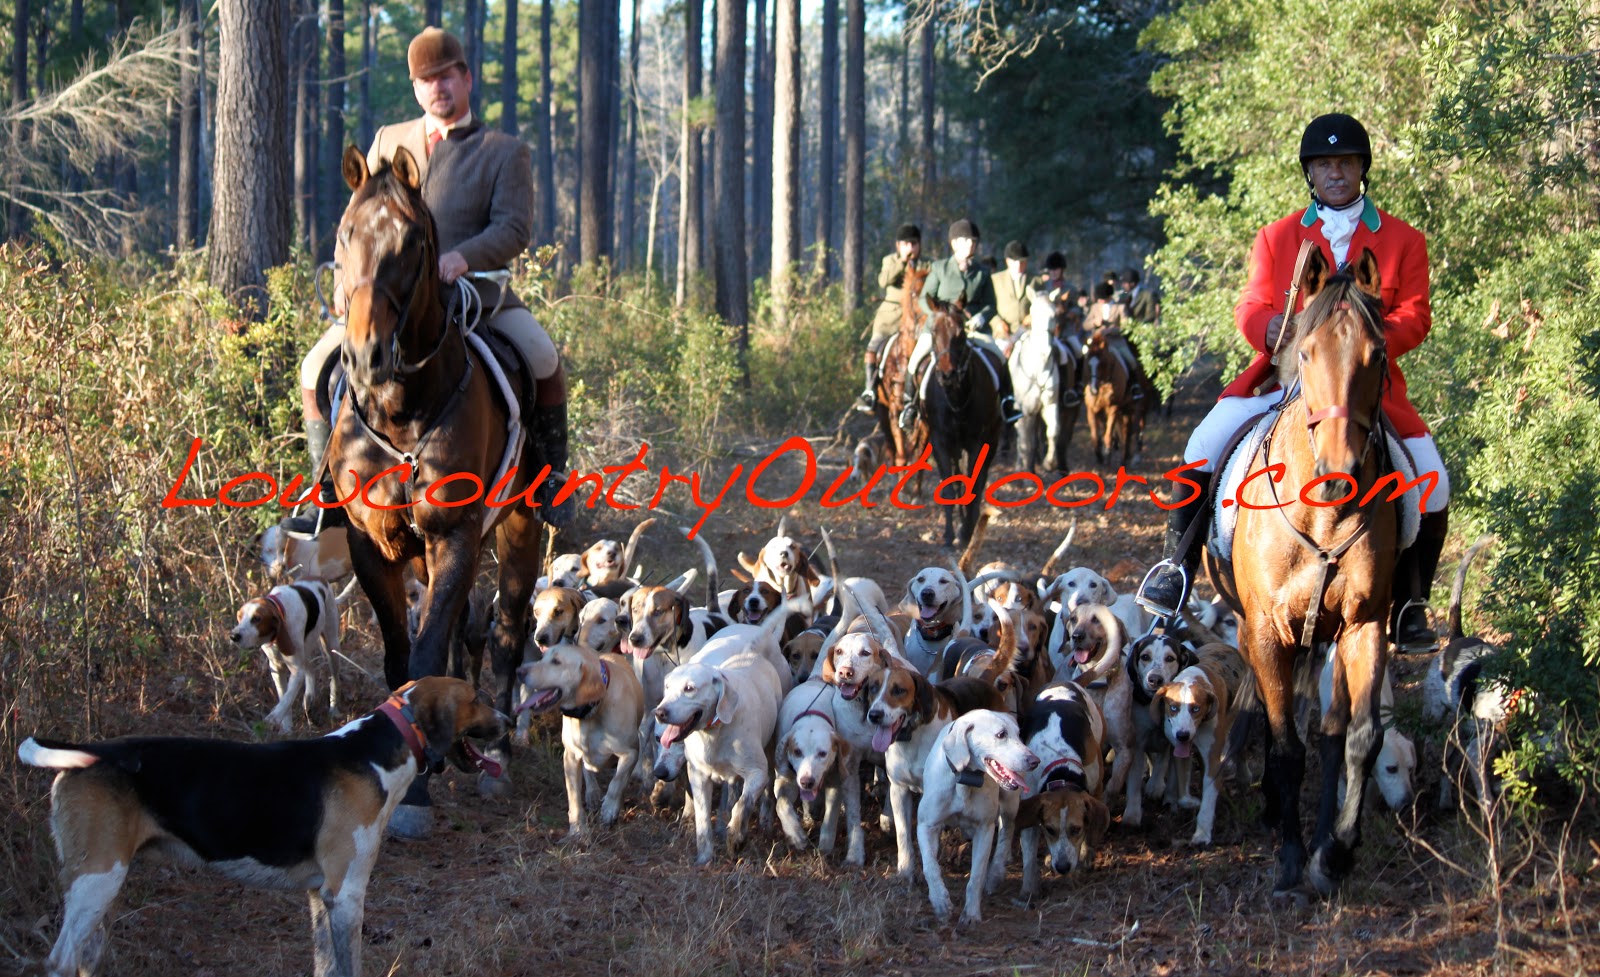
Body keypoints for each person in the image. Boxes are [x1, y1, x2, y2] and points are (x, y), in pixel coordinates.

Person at [1136, 113, 1450, 650]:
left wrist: (1365, 342)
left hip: (1363, 392)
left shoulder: (1403, 240)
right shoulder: (1279, 236)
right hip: (1280, 383)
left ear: (1361, 170)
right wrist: (1268, 327)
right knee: (1202, 445)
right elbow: (1250, 306)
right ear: (1311, 172)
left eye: (1346, 163)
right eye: (1325, 164)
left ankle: (1410, 604)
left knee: (1433, 480)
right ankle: (1177, 568)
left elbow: (1416, 316)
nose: (1336, 172)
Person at [297, 27, 572, 526]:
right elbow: (355, 227)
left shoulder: (503, 150)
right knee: (315, 367)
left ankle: (549, 481)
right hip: (386, 300)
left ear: (466, 79)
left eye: (446, 76)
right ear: (415, 88)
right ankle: (325, 491)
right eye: (426, 80)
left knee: (543, 358)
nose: (437, 88)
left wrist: (462, 257)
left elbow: (513, 227)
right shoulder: (387, 142)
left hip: (475, 296)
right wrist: (345, 290)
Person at [897, 219, 1022, 430]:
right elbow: (923, 299)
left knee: (1000, 357)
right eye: (965, 241)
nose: (970, 245)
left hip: (973, 330)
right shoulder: (939, 268)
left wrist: (980, 317)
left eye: (973, 241)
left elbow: (990, 304)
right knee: (915, 360)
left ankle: (1007, 403)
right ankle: (910, 407)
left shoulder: (982, 272)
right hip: (941, 331)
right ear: (954, 244)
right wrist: (938, 316)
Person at [855, 224, 928, 412]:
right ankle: (870, 391)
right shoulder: (890, 261)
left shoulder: (928, 265)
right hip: (891, 320)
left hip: (917, 320)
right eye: (906, 244)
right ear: (898, 246)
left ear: (920, 245)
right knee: (873, 349)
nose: (910, 248)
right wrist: (903, 262)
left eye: (913, 244)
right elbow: (883, 281)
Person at [1083, 281, 1149, 401]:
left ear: (1109, 297)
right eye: (1099, 299)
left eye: (1103, 299)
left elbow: (1127, 326)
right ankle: (1080, 384)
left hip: (1116, 342)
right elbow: (1085, 325)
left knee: (1131, 360)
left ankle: (1134, 386)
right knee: (1085, 358)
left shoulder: (1120, 307)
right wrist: (1094, 323)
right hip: (1098, 344)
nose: (1100, 301)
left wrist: (1112, 330)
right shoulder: (1094, 308)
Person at [990, 240, 1035, 356]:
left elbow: (1040, 305)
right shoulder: (995, 280)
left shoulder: (1035, 281)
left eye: (1022, 262)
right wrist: (997, 323)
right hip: (1003, 334)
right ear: (1008, 261)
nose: (1019, 266)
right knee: (998, 359)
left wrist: (1032, 316)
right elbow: (988, 305)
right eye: (1015, 262)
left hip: (1027, 332)